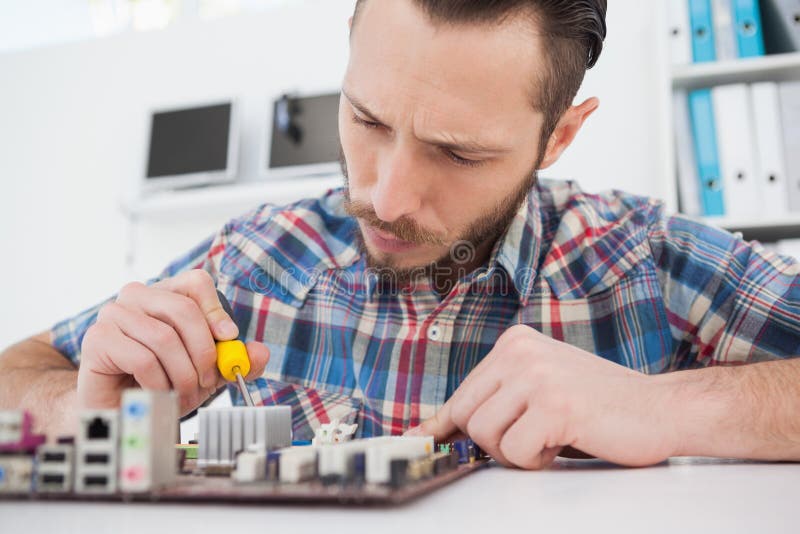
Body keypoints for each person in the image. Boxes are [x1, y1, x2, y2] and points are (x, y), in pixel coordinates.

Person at [2, 0, 799, 470]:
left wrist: (667, 408)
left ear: (558, 137)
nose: (385, 197)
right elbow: (13, 382)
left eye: (459, 152)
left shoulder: (646, 262)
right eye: (366, 119)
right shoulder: (255, 259)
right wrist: (88, 416)